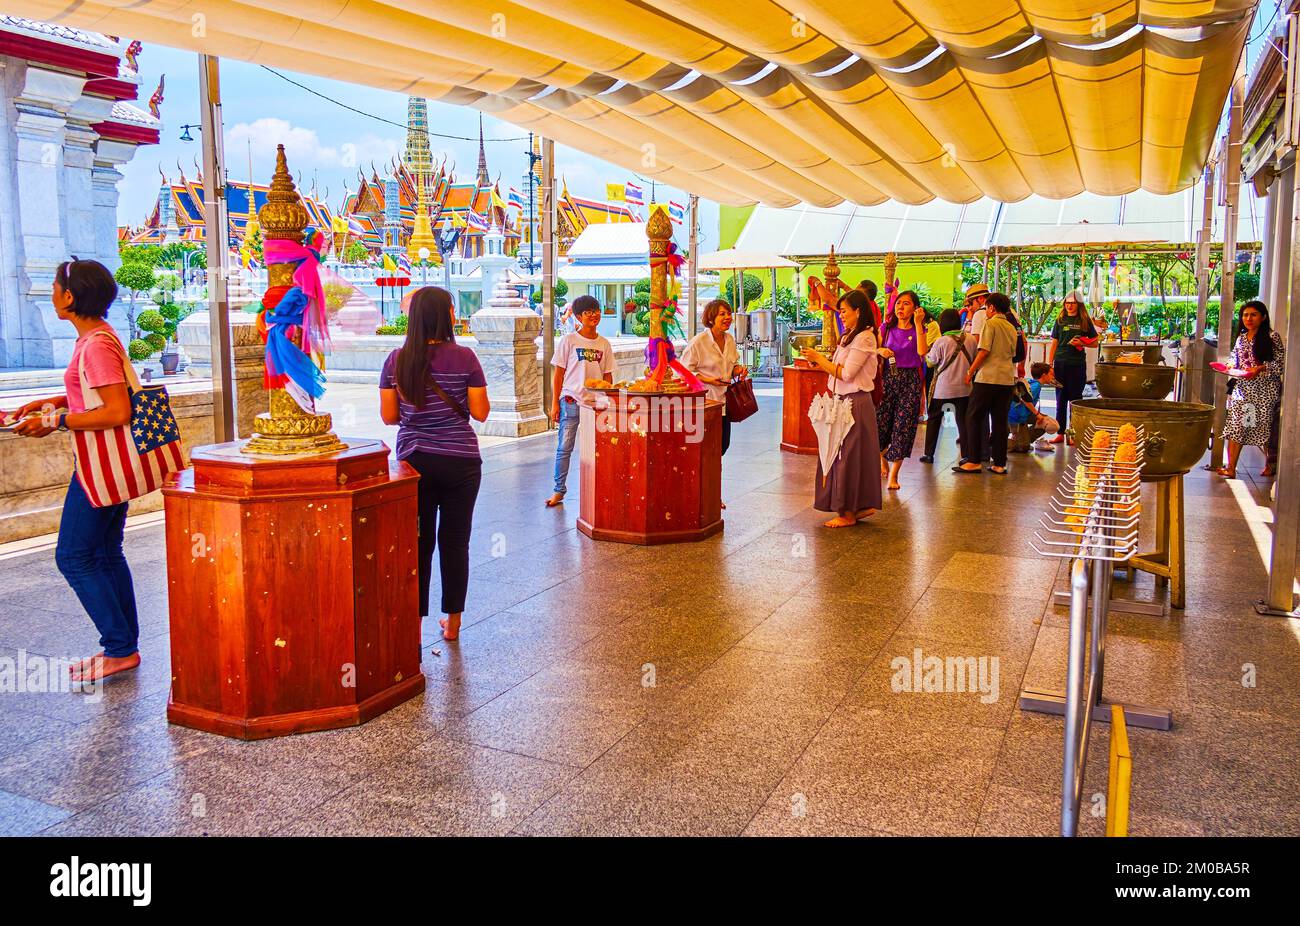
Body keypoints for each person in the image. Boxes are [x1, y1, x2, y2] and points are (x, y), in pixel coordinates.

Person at [3, 260, 140, 682]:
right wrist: (51, 404)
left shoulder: (95, 343)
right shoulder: (98, 338)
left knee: (75, 556)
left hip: (100, 466)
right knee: (104, 552)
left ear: (70, 296)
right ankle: (123, 647)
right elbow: (92, 391)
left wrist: (54, 421)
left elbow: (117, 409)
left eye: (55, 286)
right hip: (109, 464)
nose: (50, 293)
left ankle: (118, 648)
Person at [380, 286, 490, 642]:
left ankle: (413, 628)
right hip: (461, 462)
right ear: (447, 316)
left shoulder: (396, 360)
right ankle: (453, 624)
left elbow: (388, 416)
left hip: (415, 463)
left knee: (419, 543)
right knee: (455, 542)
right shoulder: (466, 358)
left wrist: (419, 418)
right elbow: (481, 412)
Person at [800, 289, 882, 527]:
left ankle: (848, 511)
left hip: (855, 402)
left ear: (858, 311)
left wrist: (819, 358)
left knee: (847, 455)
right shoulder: (850, 336)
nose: (841, 315)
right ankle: (858, 506)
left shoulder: (865, 337)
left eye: (844, 311)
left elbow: (846, 373)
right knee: (842, 453)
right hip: (844, 401)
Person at [547, 295, 615, 507]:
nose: (593, 315)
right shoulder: (569, 341)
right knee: (564, 447)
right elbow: (558, 374)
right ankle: (559, 490)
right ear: (578, 317)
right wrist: (554, 404)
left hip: (595, 405)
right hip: (571, 400)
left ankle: (599, 488)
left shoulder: (604, 343)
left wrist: (607, 401)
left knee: (598, 449)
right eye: (588, 312)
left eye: (596, 310)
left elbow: (608, 376)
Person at [681, 299, 747, 509]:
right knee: (704, 450)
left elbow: (732, 365)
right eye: (722, 314)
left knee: (721, 447)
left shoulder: (729, 340)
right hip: (704, 403)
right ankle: (701, 494)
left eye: (728, 313)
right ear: (711, 318)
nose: (727, 318)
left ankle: (710, 492)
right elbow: (682, 371)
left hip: (724, 402)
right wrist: (708, 380)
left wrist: (739, 369)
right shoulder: (699, 342)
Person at [955, 292, 1019, 476]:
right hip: (1006, 379)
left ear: (991, 308)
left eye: (987, 308)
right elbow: (1013, 353)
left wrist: (970, 371)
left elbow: (983, 351)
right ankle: (999, 463)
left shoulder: (989, 324)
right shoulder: (1011, 327)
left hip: (988, 378)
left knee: (973, 416)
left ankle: (974, 460)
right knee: (1000, 421)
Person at [1220, 300, 1285, 479]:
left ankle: (1270, 465)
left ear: (1263, 317)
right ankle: (1231, 467)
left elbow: (1280, 364)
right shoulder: (1241, 337)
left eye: (1253, 314)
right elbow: (1235, 356)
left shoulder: (1273, 337)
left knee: (1263, 427)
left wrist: (1260, 368)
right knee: (1237, 425)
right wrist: (1231, 363)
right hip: (1243, 389)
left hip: (1264, 392)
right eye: (1245, 315)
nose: (1248, 318)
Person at [875, 289, 928, 490]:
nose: (901, 307)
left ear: (915, 308)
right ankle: (882, 461)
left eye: (906, 304)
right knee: (881, 424)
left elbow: (922, 352)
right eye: (898, 303)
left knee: (903, 426)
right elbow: (873, 349)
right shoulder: (886, 328)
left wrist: (917, 323)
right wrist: (879, 350)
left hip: (910, 381)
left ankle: (894, 475)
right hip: (888, 378)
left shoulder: (919, 329)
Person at [920, 308, 974, 463]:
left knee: (934, 420)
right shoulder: (970, 339)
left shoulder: (941, 341)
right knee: (963, 422)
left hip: (943, 389)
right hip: (965, 387)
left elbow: (930, 363)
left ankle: (929, 454)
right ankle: (966, 455)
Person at [1047, 290, 1097, 445]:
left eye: (1073, 303)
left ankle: (1074, 433)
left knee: (1075, 400)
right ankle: (1060, 433)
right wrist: (1050, 364)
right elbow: (1054, 342)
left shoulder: (1085, 320)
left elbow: (1095, 342)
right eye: (1067, 303)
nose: (1069, 306)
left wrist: (1081, 342)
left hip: (1077, 365)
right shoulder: (1060, 320)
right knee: (1060, 399)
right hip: (1060, 363)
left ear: (1079, 304)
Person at [1009, 362, 1058, 453]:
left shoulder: (1032, 383)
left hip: (1021, 415)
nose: (1053, 377)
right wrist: (1037, 414)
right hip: (1017, 417)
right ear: (1044, 375)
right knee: (1023, 447)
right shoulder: (1036, 386)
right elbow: (1025, 399)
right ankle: (1013, 442)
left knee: (1050, 424)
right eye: (1051, 374)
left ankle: (1022, 438)